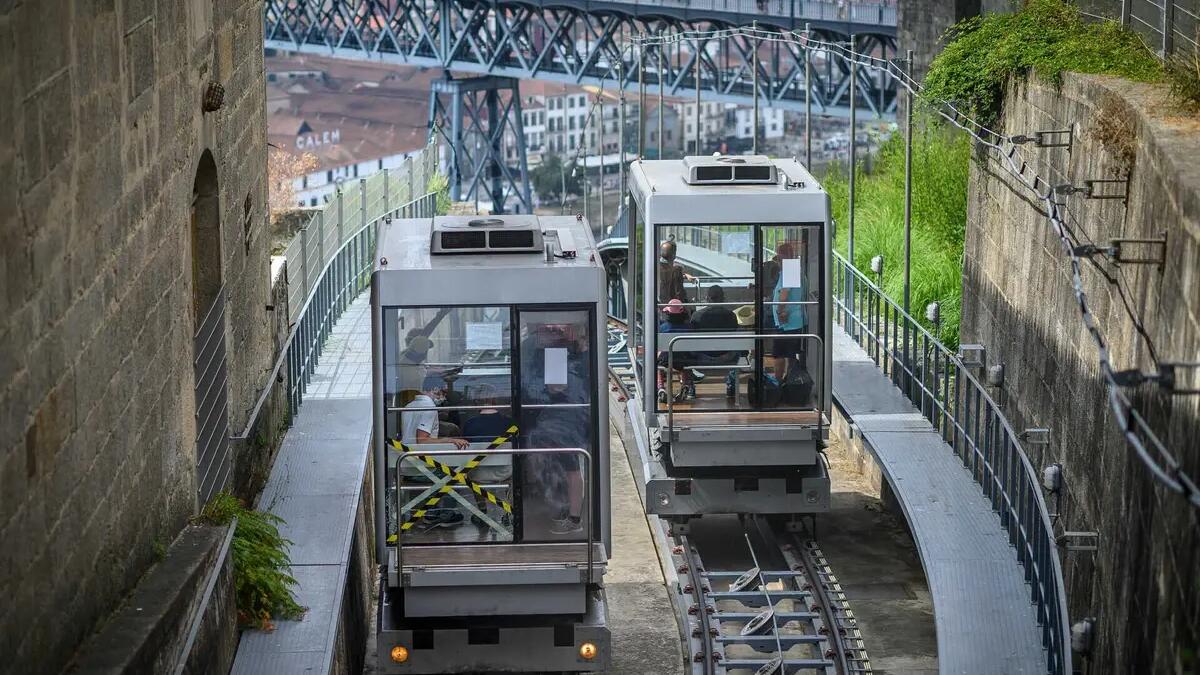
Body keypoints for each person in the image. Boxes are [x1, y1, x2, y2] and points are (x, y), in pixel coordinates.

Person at [770, 241, 809, 383]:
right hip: (791, 321)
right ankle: (788, 380)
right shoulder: (793, 270)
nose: (778, 261)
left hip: (788, 321)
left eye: (779, 257)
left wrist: (780, 312)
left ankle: (779, 381)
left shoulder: (791, 270)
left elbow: (784, 294)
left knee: (780, 353)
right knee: (789, 353)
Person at [656, 298, 696, 402]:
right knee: (685, 365)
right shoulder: (689, 327)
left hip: (666, 359)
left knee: (658, 365)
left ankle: (660, 387)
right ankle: (684, 384)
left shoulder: (663, 327)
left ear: (668, 313)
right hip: (684, 359)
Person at [657, 240, 695, 318]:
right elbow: (679, 292)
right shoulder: (677, 269)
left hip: (660, 306)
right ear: (674, 255)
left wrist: (684, 274)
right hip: (673, 309)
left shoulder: (655, 267)